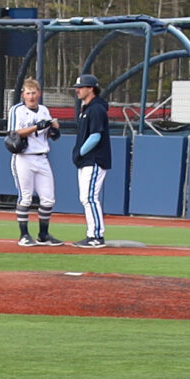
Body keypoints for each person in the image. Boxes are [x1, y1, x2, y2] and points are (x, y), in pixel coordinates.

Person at [5, 77, 64, 247]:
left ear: (39, 93)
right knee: (25, 198)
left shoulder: (44, 110)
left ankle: (43, 235)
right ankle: (24, 235)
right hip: (24, 157)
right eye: (28, 93)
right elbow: (14, 133)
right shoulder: (17, 110)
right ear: (23, 94)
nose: (31, 96)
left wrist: (54, 129)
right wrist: (37, 127)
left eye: (34, 93)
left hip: (42, 156)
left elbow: (50, 134)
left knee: (48, 199)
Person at [71, 73, 111, 248]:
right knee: (86, 197)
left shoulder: (96, 109)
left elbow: (95, 136)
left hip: (94, 159)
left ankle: (96, 236)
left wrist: (80, 152)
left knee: (89, 197)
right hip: (86, 161)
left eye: (81, 87)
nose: (77, 90)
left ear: (91, 89)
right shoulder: (87, 108)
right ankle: (92, 234)